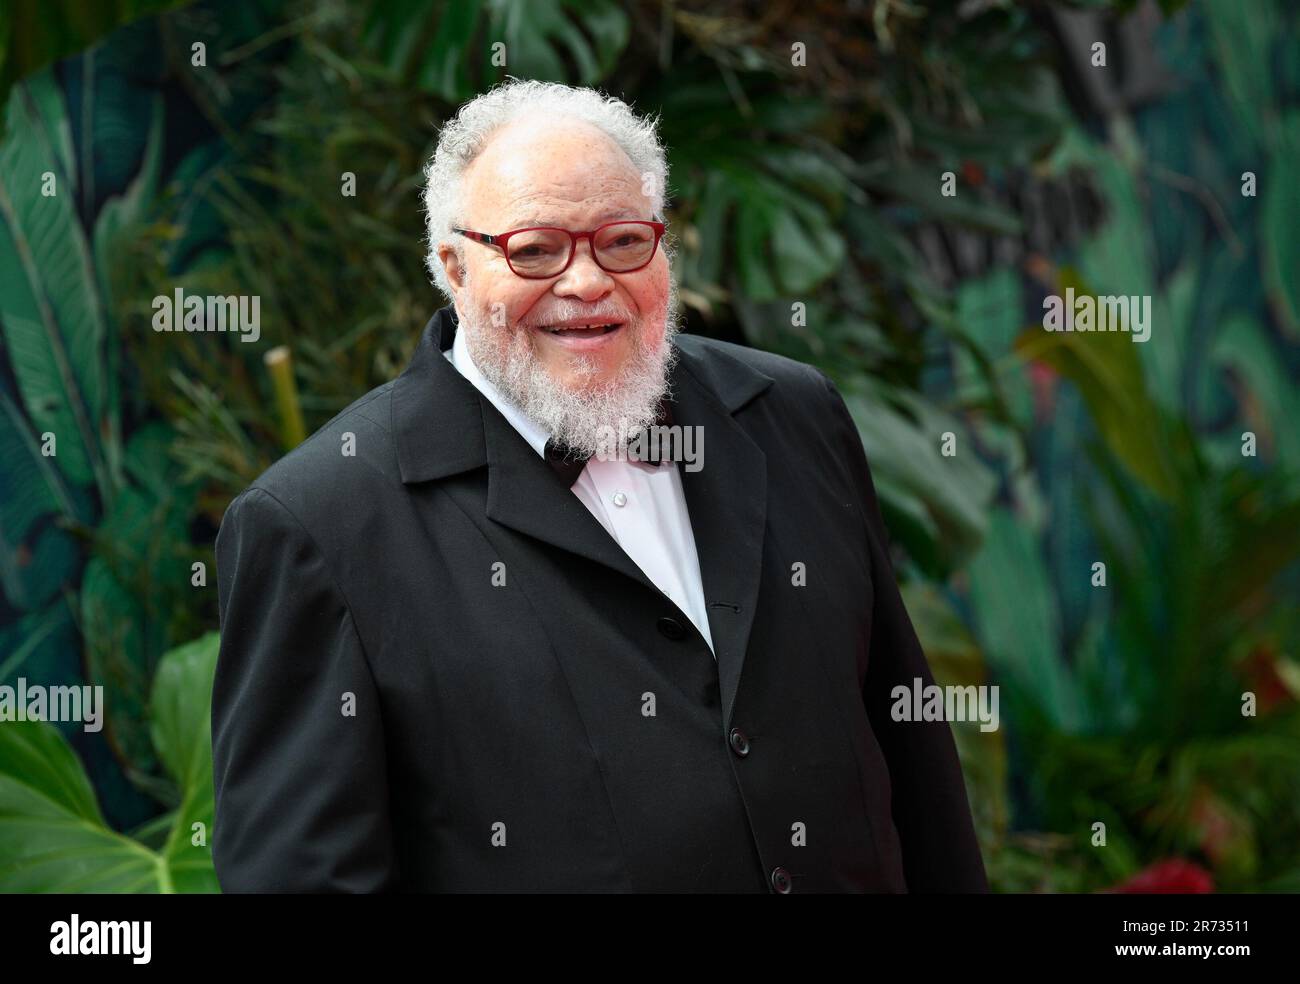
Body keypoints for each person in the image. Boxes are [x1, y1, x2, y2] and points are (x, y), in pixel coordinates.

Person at [211, 79, 987, 893]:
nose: (586, 282)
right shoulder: (320, 524)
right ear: (453, 266)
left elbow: (916, 767)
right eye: (535, 250)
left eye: (622, 241)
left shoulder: (791, 414)